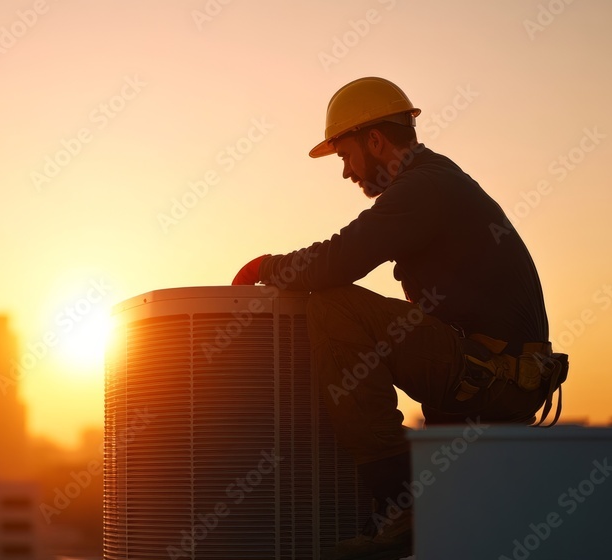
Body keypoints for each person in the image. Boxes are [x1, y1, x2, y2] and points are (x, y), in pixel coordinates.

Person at [231, 77, 565, 560]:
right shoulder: (440, 182)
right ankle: (410, 498)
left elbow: (339, 259)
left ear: (374, 141)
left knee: (333, 304)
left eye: (345, 155)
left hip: (490, 375)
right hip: (493, 376)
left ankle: (399, 506)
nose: (346, 172)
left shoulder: (423, 187)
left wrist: (266, 267)